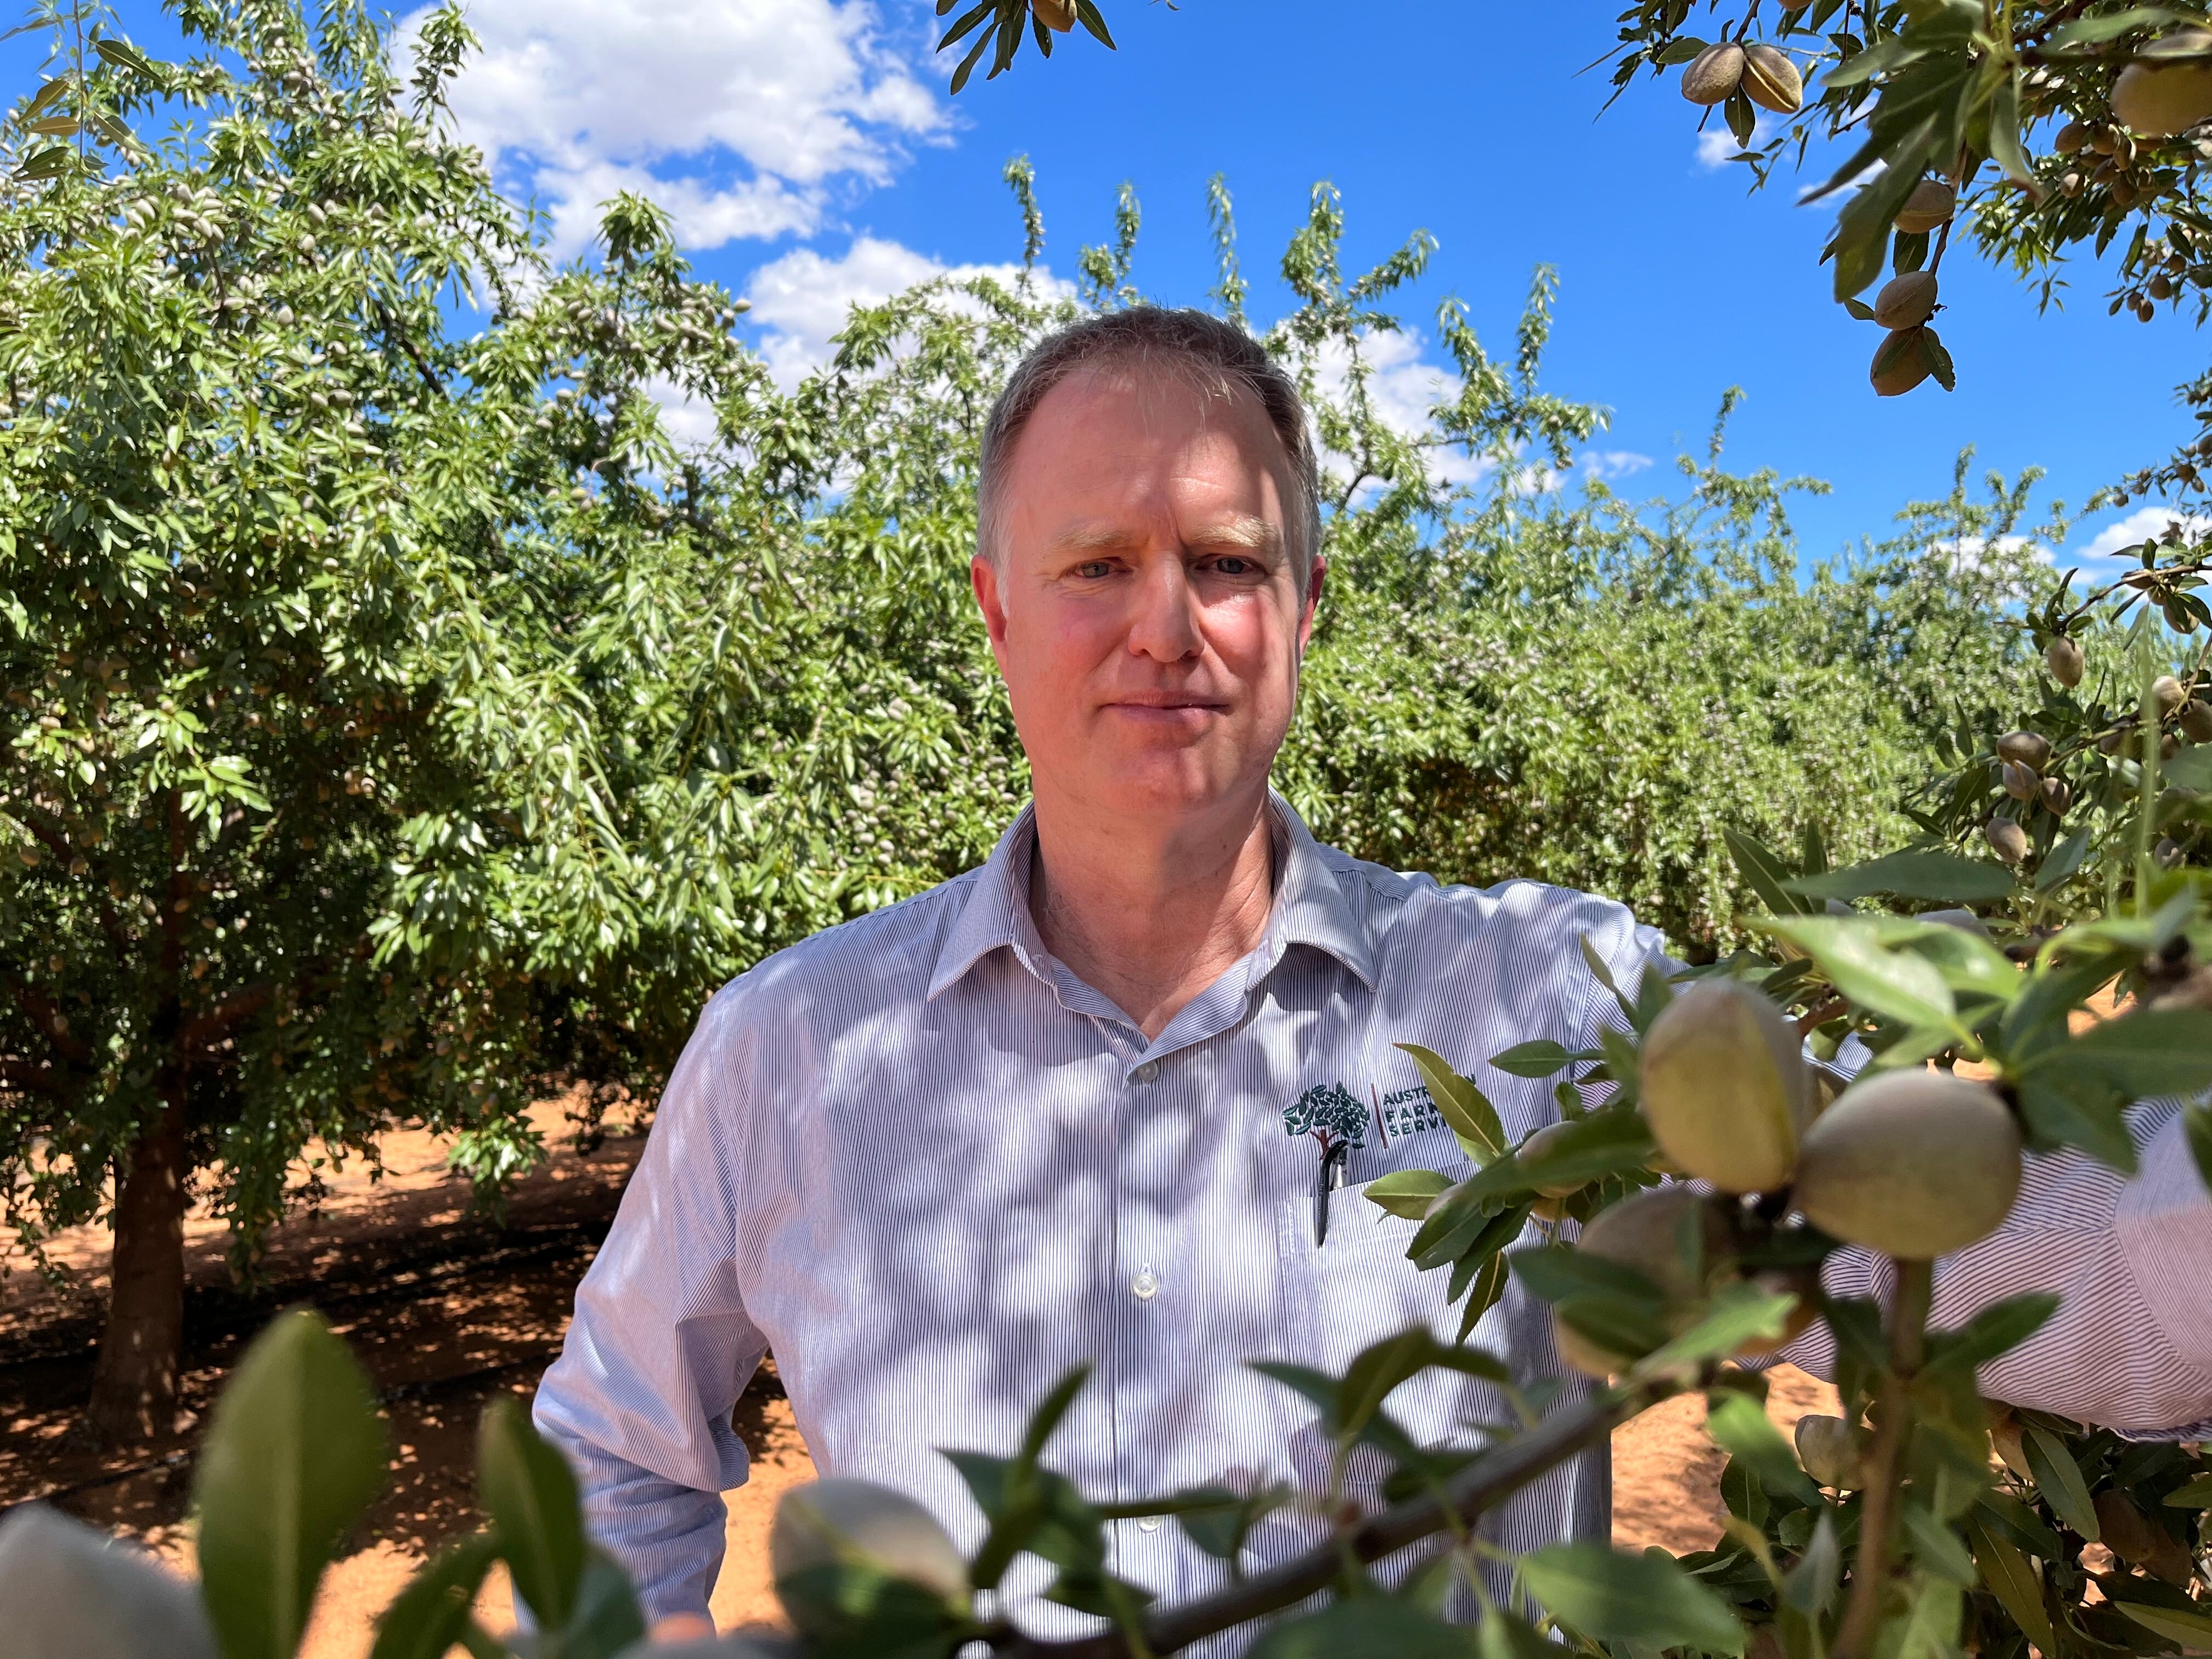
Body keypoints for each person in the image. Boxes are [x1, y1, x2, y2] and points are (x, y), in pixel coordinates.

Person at [533, 307, 2212, 1641]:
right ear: (995, 612)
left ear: (1308, 607)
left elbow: (1969, 1249)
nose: (1167, 627)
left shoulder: (1547, 999)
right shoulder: (791, 1045)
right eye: (1098, 564)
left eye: (1227, 563)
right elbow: (612, 1445)